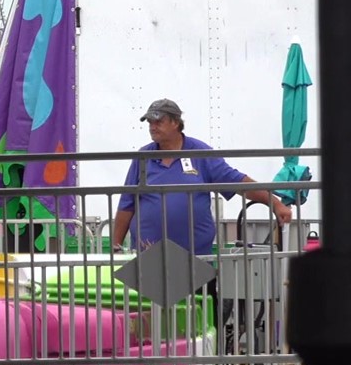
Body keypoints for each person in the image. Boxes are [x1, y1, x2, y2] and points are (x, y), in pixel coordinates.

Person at [110, 99, 292, 255]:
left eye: (158, 121)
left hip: (194, 257)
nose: (152, 127)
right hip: (147, 254)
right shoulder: (142, 157)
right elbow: (127, 204)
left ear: (175, 122)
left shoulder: (200, 153)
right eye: (150, 122)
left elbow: (237, 181)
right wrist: (116, 247)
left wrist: (275, 203)